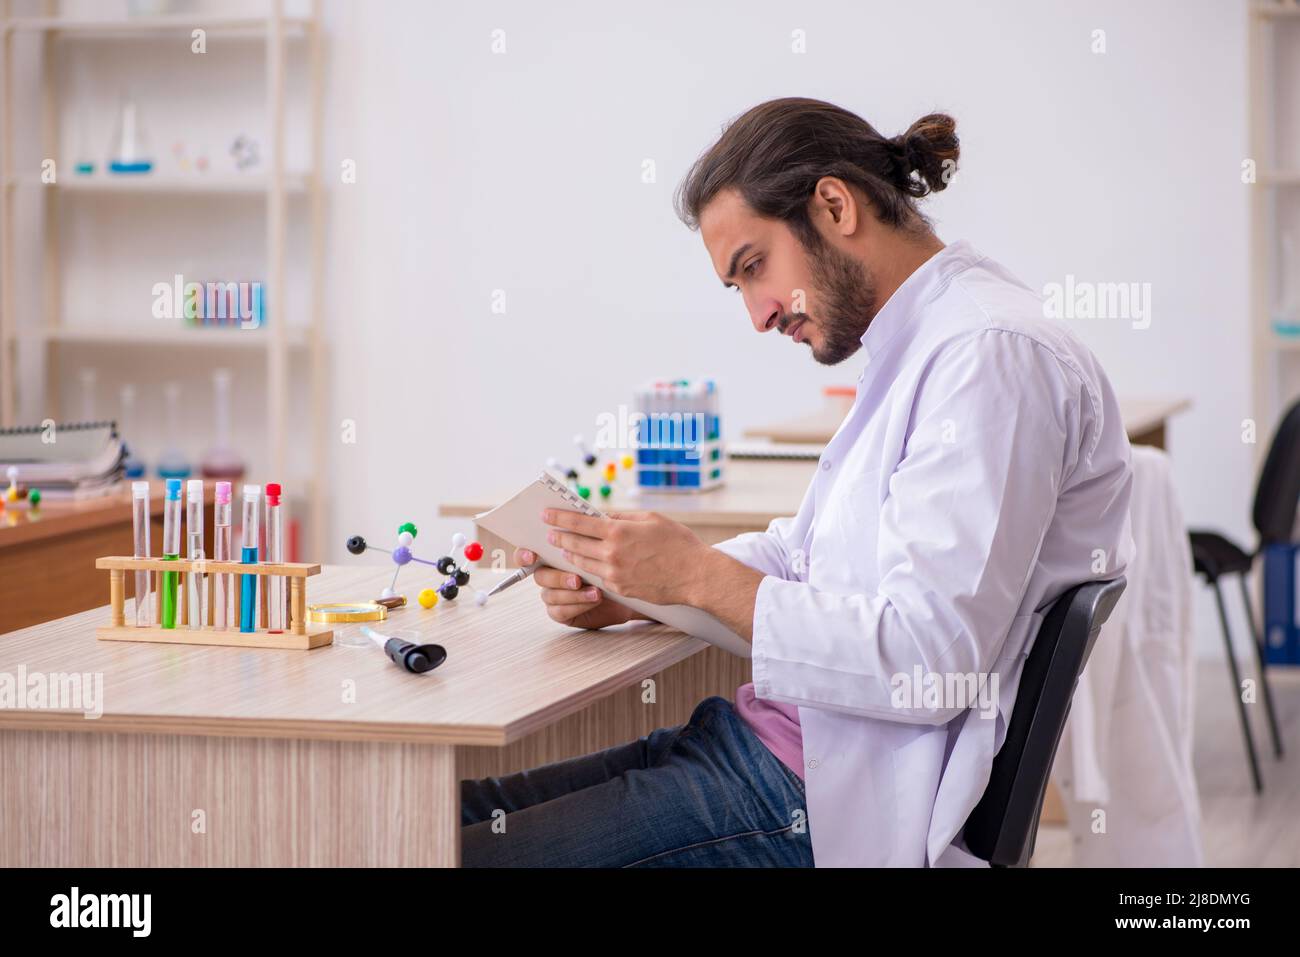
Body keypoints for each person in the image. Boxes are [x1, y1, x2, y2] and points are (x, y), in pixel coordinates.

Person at [461, 97, 1134, 867]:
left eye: (755, 268)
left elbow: (928, 662)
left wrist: (699, 574)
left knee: (450, 851)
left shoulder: (989, 357)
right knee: (443, 813)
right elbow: (806, 559)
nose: (758, 313)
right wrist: (637, 587)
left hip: (812, 803)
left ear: (835, 205)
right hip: (769, 749)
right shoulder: (920, 346)